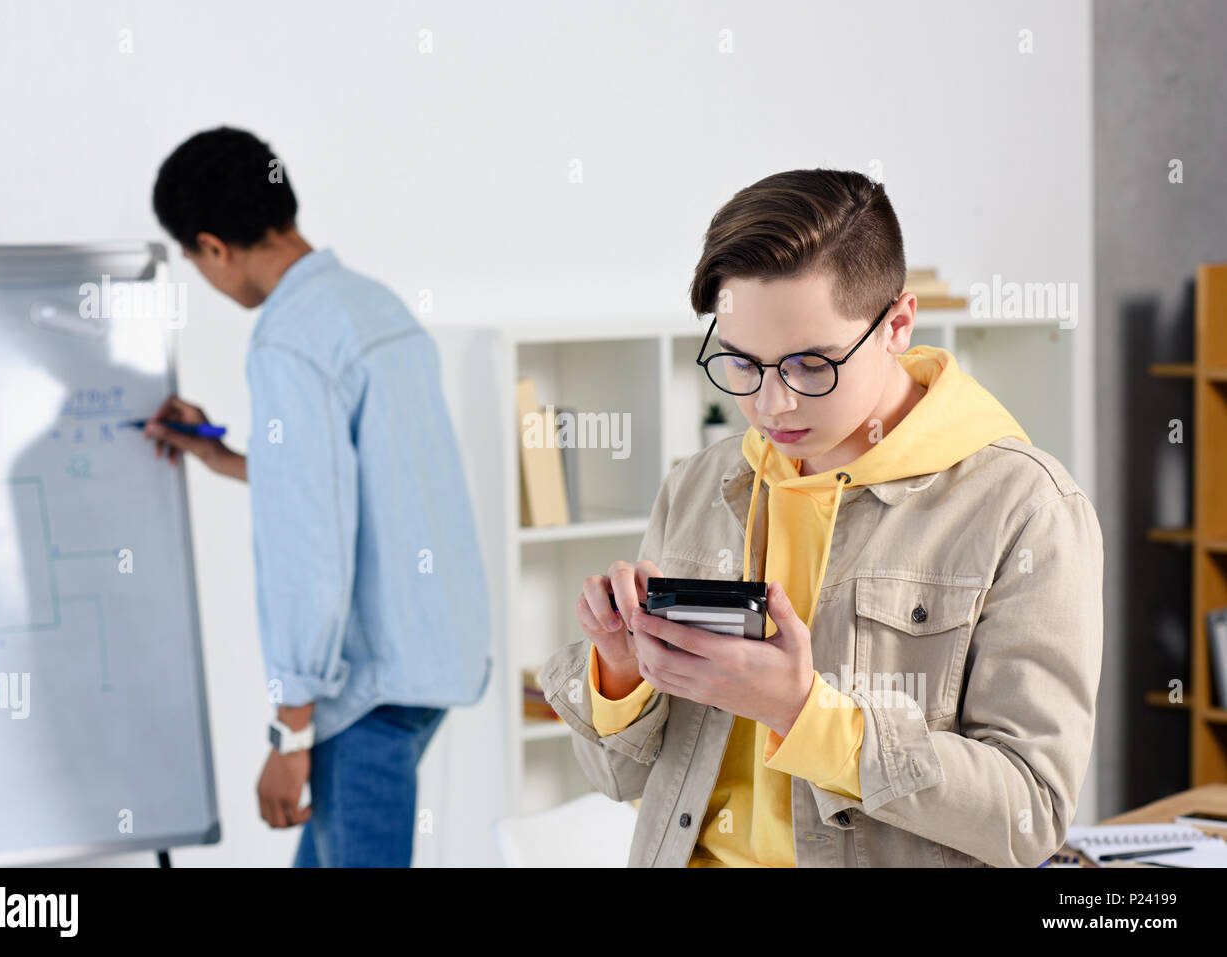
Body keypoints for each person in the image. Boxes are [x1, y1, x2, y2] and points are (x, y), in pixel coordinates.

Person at [540, 169, 1103, 867]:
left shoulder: (1026, 509)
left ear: (897, 324)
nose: (772, 405)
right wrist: (621, 671)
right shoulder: (701, 483)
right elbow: (615, 778)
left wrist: (805, 714)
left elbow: (1030, 813)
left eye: (810, 365)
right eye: (741, 364)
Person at [148, 126, 490, 867]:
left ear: (211, 246)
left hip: (362, 685)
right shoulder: (373, 306)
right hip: (429, 661)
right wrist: (224, 457)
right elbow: (359, 485)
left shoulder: (288, 340)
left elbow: (310, 543)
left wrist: (290, 731)